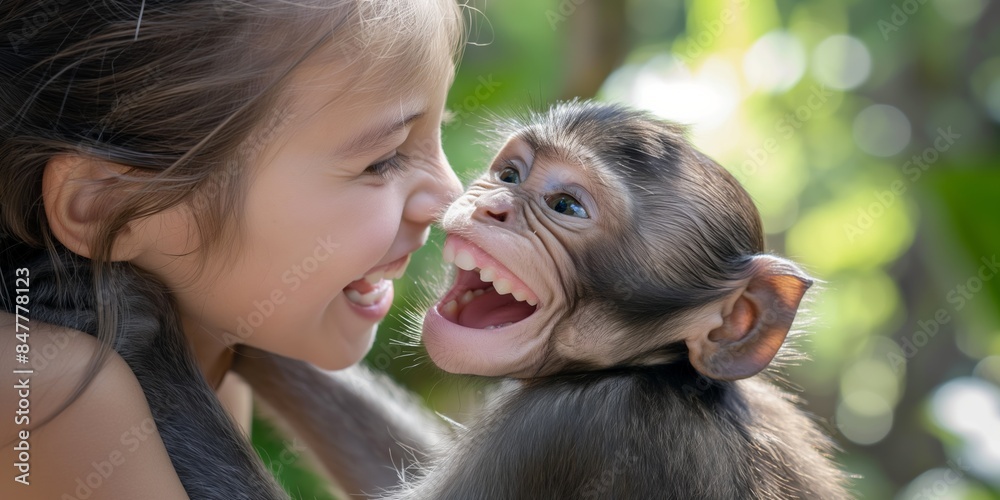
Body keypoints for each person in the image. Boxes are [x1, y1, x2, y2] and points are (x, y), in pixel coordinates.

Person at [0, 0, 464, 498]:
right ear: (108, 204)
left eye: (442, 132)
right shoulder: (50, 385)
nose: (453, 202)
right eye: (383, 160)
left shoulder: (214, 342)